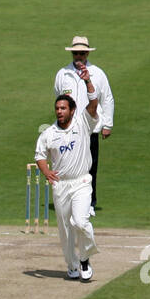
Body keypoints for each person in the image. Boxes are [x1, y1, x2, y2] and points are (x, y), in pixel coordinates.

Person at [33, 77, 100, 283]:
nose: (59, 111)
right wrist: (46, 171)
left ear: (72, 110)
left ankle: (85, 258)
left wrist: (88, 82)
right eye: (57, 108)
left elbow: (94, 104)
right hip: (61, 185)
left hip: (81, 182)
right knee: (65, 229)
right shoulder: (49, 133)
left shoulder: (83, 122)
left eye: (63, 108)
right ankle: (72, 266)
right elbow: (39, 155)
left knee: (80, 222)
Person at [53, 36, 114, 209]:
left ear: (87, 53)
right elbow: (59, 97)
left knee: (90, 166)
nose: (78, 56)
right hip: (68, 129)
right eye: (75, 53)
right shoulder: (63, 74)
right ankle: (70, 200)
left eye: (82, 53)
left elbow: (107, 99)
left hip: (90, 128)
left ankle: (90, 203)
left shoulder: (98, 73)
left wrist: (107, 124)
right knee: (69, 165)